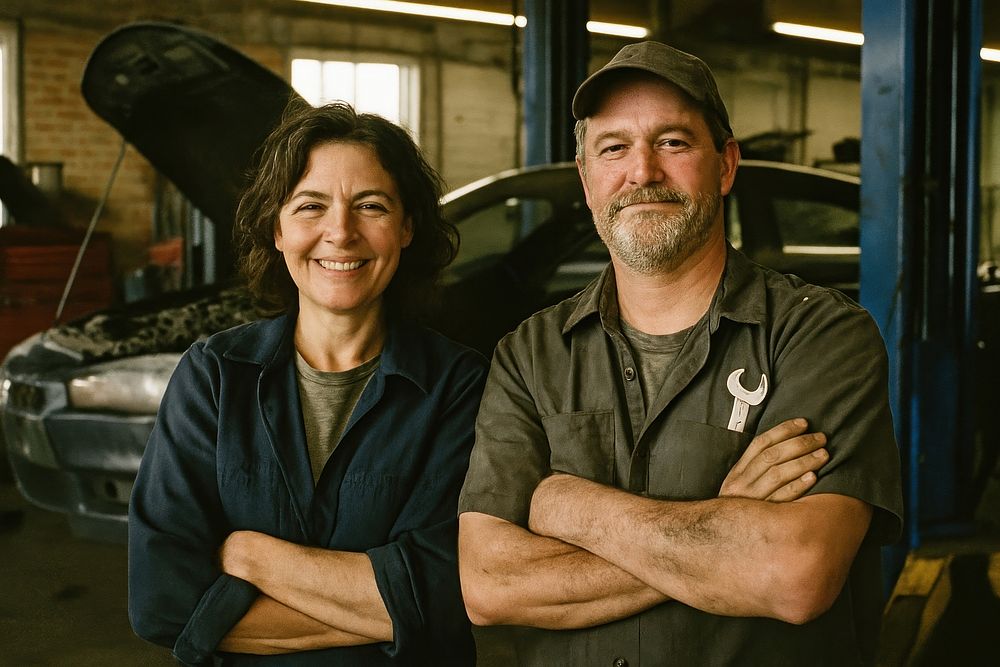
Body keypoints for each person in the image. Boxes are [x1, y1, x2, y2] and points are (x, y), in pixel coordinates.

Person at [458, 41, 903, 666]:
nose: (642, 172)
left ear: (725, 166)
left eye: (672, 142)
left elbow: (793, 573)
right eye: (614, 148)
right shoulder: (530, 355)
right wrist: (722, 529)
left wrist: (568, 505)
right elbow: (489, 584)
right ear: (587, 180)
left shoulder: (822, 336)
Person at [128, 100, 487, 665]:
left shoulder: (460, 386)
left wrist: (254, 558)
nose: (340, 233)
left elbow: (449, 592)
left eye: (370, 206)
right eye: (310, 206)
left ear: (408, 227)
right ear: (277, 229)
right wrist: (381, 608)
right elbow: (160, 601)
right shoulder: (214, 376)